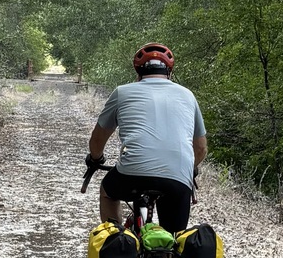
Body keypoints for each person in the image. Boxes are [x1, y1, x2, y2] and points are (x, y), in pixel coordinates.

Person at [85, 42, 207, 239]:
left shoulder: (122, 92)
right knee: (175, 238)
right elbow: (200, 149)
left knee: (108, 192)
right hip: (178, 177)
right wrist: (189, 167)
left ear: (138, 72)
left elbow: (98, 139)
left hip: (132, 173)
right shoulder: (187, 95)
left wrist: (95, 159)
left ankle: (117, 242)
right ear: (169, 72)